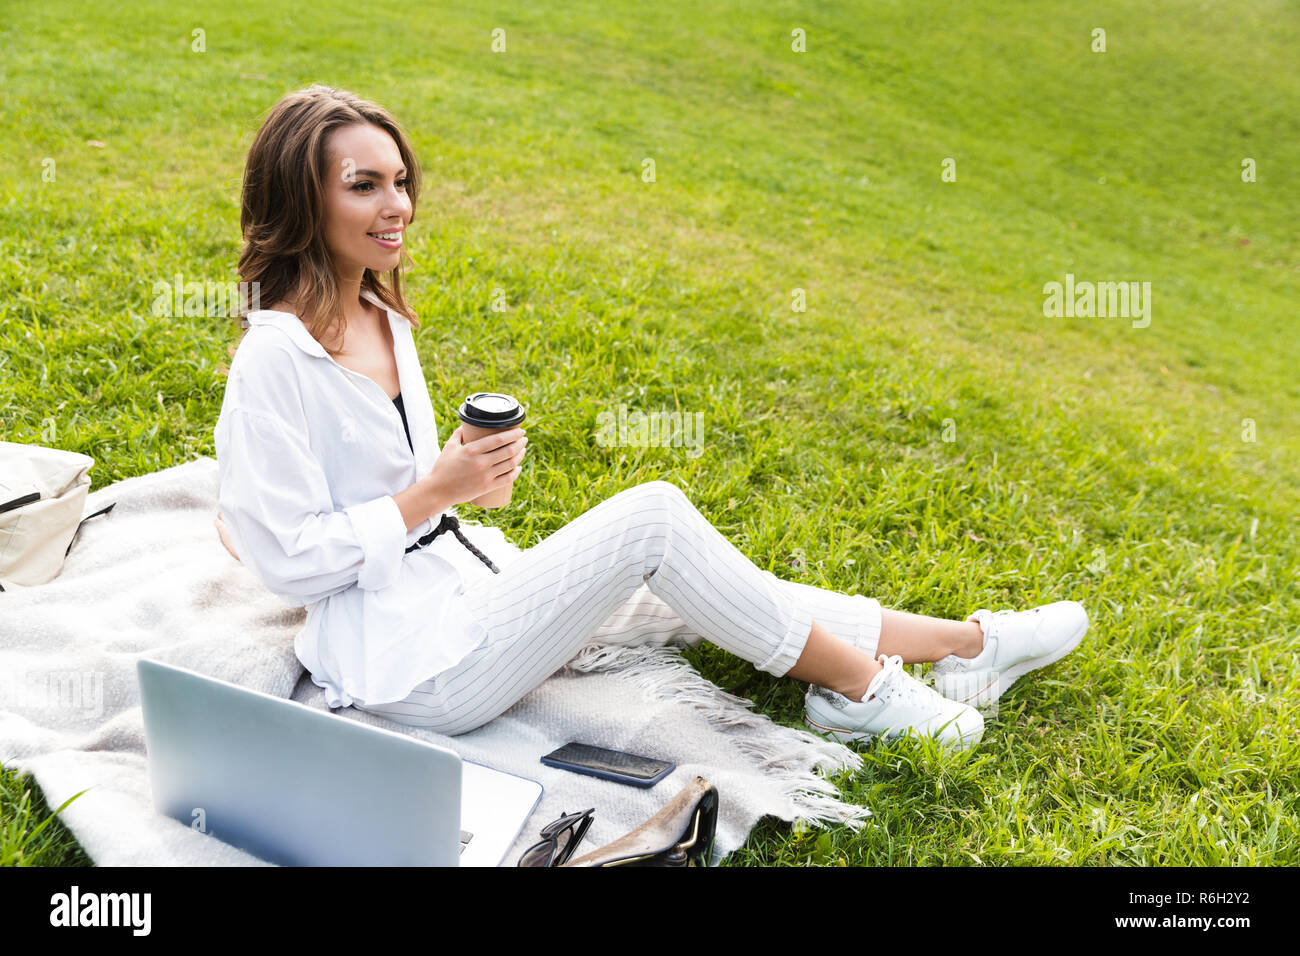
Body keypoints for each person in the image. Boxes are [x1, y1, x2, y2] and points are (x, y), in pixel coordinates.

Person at [214, 85, 1088, 753]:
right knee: (655, 518)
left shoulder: (382, 316)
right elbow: (288, 562)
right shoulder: (273, 365)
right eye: (365, 186)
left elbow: (404, 494)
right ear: (302, 198)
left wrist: (457, 476)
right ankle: (859, 691)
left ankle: (965, 646)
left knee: (699, 583)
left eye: (400, 182)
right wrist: (430, 493)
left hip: (472, 587)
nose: (398, 205)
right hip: (414, 665)